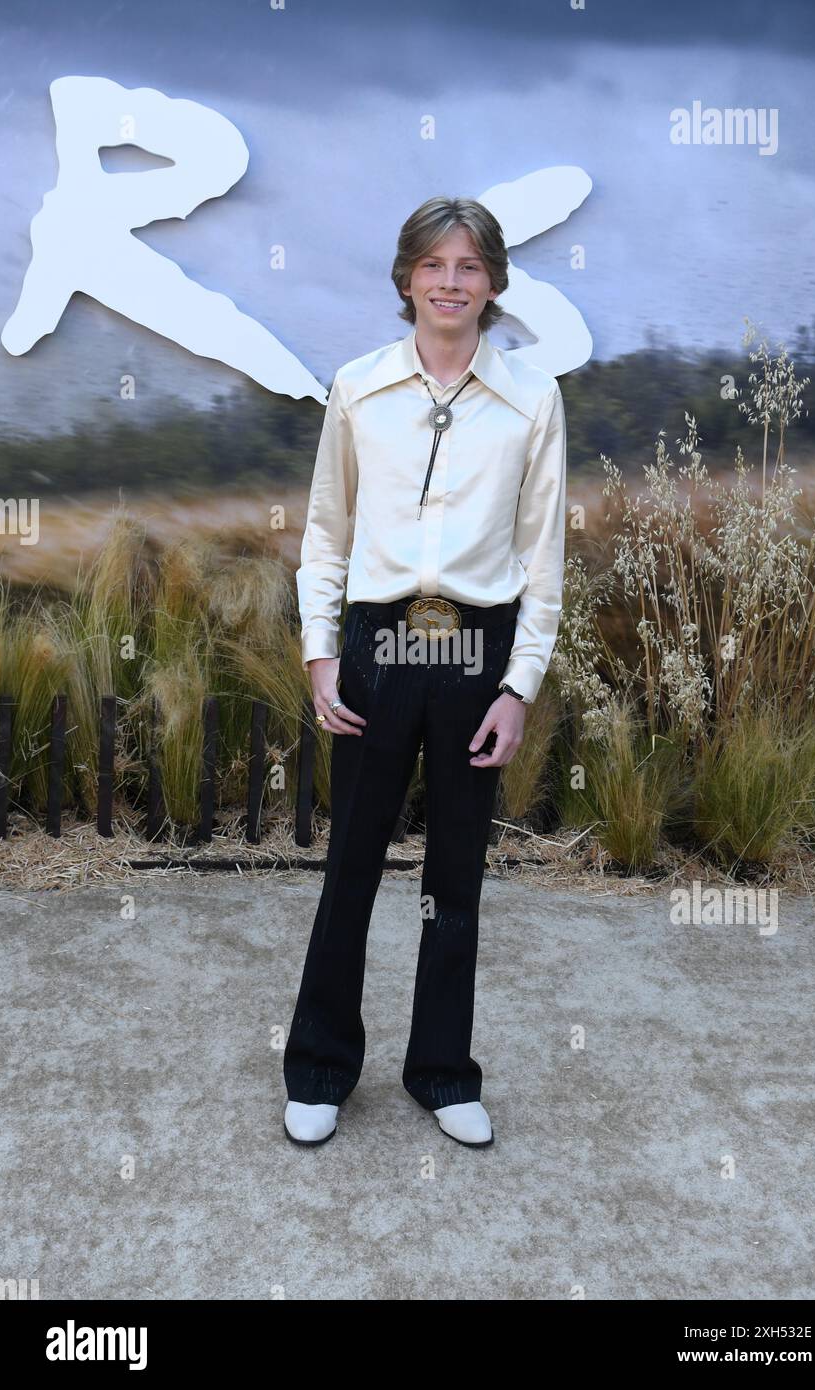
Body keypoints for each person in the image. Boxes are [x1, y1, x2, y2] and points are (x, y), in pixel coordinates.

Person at [282, 195, 567, 1147]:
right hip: (377, 646)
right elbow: (326, 534)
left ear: (494, 284)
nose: (452, 282)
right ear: (406, 277)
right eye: (435, 265)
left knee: (456, 875)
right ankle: (321, 1066)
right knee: (351, 865)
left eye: (471, 267)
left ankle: (443, 1074)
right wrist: (322, 653)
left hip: (474, 653)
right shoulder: (358, 389)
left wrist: (519, 685)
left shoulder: (532, 398)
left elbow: (542, 560)